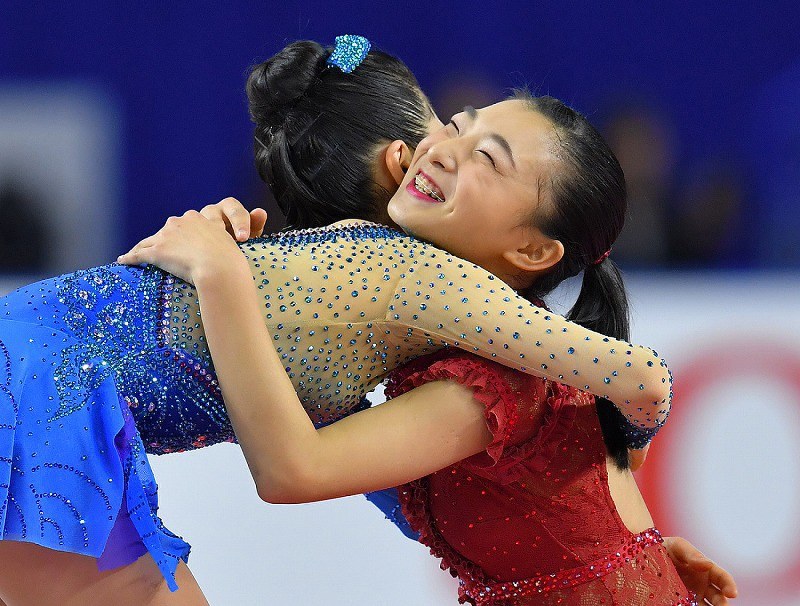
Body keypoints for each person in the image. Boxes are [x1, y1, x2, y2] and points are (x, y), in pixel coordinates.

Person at [0, 38, 732, 605]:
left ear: (536, 248)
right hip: (44, 396)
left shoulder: (417, 329)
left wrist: (623, 541)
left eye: (489, 160)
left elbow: (635, 382)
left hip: (38, 382)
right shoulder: (401, 282)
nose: (444, 150)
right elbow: (297, 470)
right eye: (458, 125)